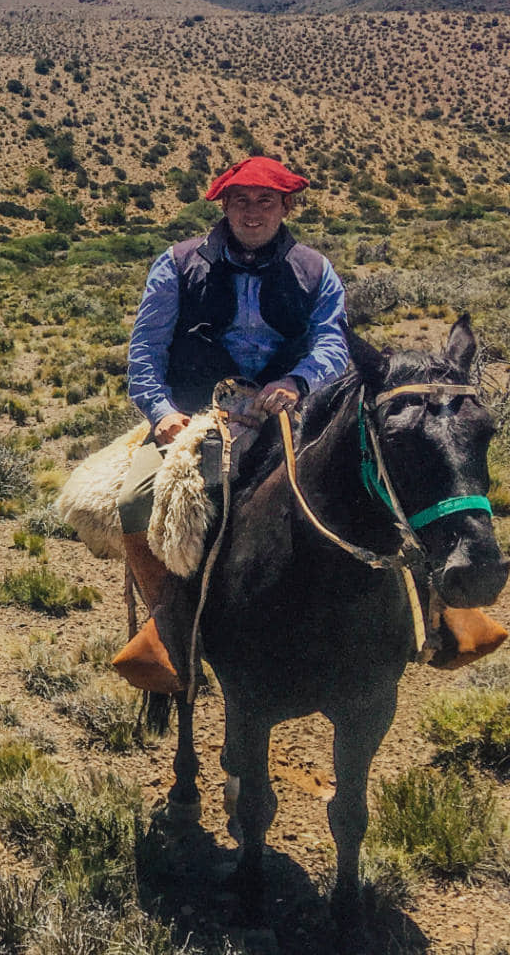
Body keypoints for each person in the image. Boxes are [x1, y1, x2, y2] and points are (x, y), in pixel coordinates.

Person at [114, 156, 349, 694]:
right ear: (223, 204)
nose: (252, 211)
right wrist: (163, 413)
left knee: (384, 474)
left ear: (286, 206)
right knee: (136, 499)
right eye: (241, 199)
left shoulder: (316, 270)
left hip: (288, 412)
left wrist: (298, 380)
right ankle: (167, 631)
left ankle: (432, 618)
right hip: (195, 417)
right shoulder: (176, 265)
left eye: (266, 200)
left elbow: (333, 343)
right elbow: (145, 352)